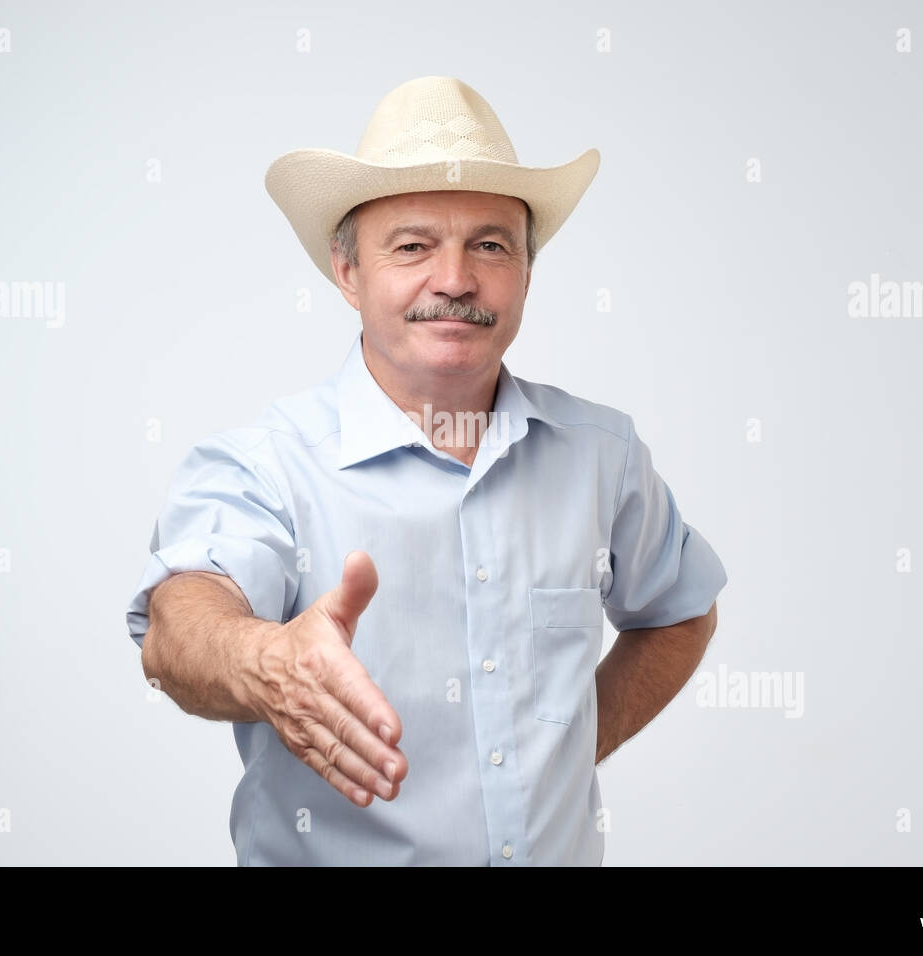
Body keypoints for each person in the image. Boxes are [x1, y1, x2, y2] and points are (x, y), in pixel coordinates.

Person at [125, 76, 728, 865]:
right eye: (412, 246)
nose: (455, 279)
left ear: (526, 273)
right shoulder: (263, 466)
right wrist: (264, 661)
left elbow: (680, 611)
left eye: (489, 245)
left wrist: (574, 748)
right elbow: (177, 630)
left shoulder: (601, 455)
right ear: (348, 274)